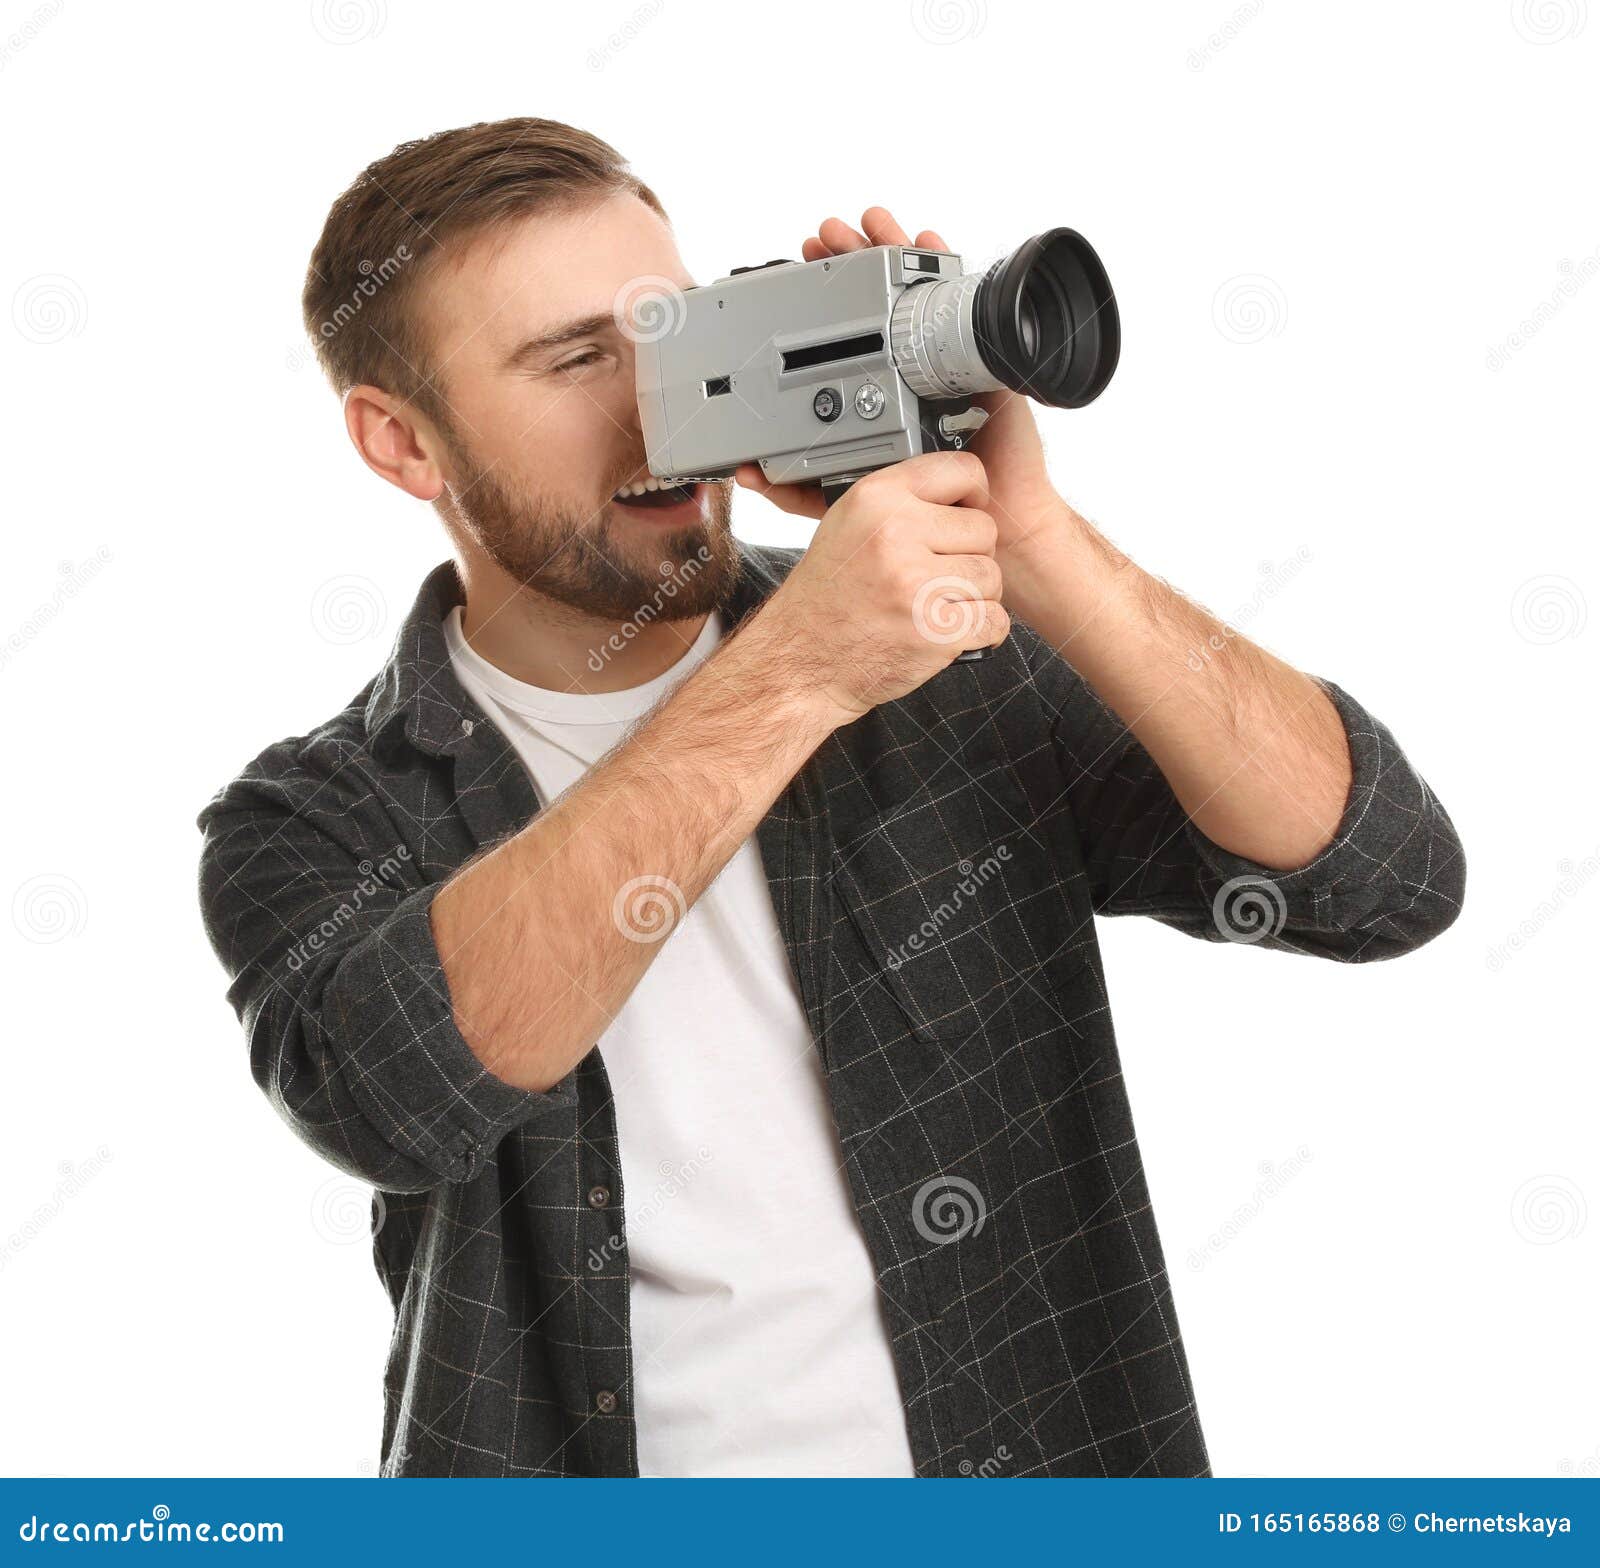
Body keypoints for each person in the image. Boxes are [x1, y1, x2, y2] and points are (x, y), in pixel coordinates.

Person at [197, 117, 1465, 1478]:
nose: (656, 408)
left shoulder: (941, 654)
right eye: (573, 360)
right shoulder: (316, 815)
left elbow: (1380, 879)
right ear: (402, 444)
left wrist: (1028, 534)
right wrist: (796, 673)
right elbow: (400, 1103)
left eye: (669, 335)